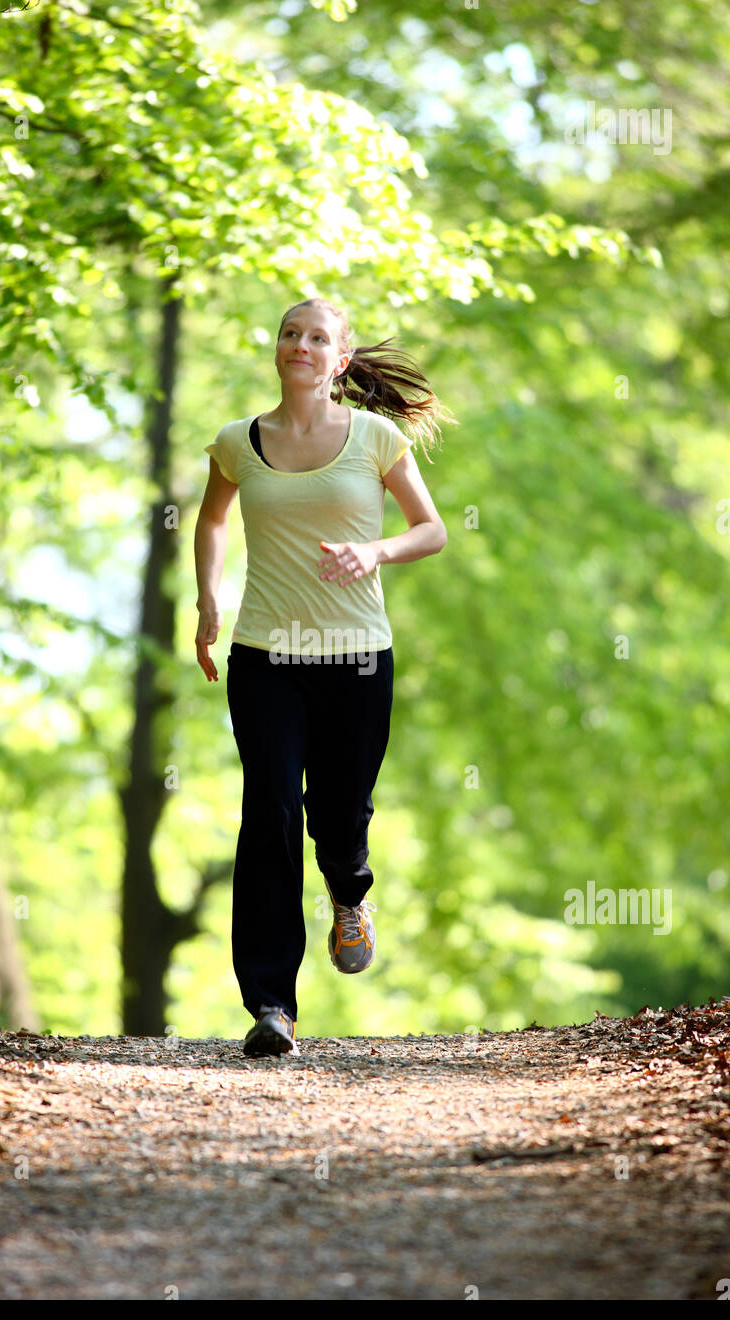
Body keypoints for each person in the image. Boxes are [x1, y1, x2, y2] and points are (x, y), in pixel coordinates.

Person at [194, 297, 454, 1057]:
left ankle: (349, 892)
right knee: (269, 813)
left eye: (316, 338)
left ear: (340, 360)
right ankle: (273, 1004)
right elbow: (211, 521)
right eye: (289, 334)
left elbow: (431, 530)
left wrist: (374, 553)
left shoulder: (375, 437)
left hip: (357, 656)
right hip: (265, 656)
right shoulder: (238, 443)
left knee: (339, 815)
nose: (299, 346)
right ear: (277, 348)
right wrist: (210, 596)